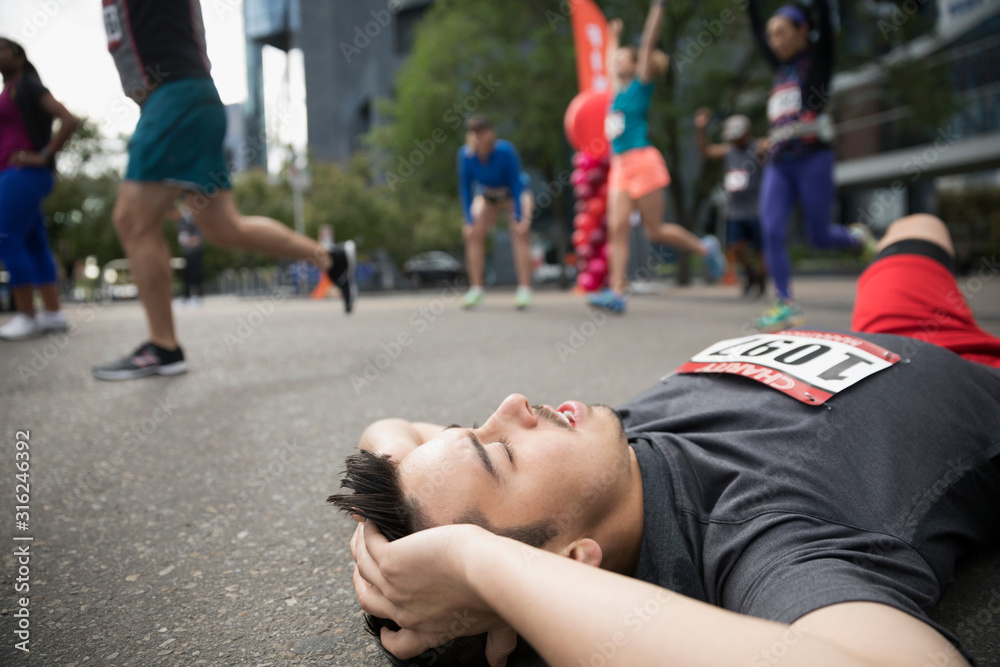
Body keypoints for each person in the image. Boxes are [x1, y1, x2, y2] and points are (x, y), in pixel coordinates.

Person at [333, 213, 1000, 667]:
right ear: (570, 559)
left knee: (917, 225)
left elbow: (397, 432)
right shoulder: (762, 542)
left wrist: (388, 515)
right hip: (972, 366)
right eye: (501, 450)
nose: (510, 405)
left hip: (889, 322)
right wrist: (483, 566)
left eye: (471, 428)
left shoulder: (607, 455)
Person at [92, 0, 357, 380]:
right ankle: (330, 258)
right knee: (224, 227)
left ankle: (163, 348)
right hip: (187, 99)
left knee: (133, 222)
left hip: (176, 99)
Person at [588, 1, 726, 314]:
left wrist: (658, 9)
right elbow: (608, 61)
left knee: (655, 230)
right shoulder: (616, 92)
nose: (617, 61)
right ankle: (617, 292)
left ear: (636, 65)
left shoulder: (641, 85)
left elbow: (649, 42)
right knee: (617, 228)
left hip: (643, 162)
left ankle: (705, 248)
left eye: (624, 57)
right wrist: (613, 35)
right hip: (620, 167)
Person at [748, 1, 872, 331]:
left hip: (813, 159)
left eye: (781, 33)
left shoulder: (817, 60)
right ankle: (785, 303)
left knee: (819, 236)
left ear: (803, 30)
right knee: (771, 229)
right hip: (779, 163)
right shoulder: (779, 68)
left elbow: (827, 23)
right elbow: (756, 30)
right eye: (771, 35)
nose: (774, 40)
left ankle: (856, 238)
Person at [0, 37, 78, 341]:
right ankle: (53, 314)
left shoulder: (28, 85)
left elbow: (68, 119)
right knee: (33, 242)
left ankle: (27, 316)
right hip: (17, 175)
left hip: (24, 174)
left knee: (5, 235)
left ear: (18, 56)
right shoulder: (10, 89)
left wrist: (45, 155)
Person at [458, 115, 534, 310]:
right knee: (472, 233)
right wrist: (469, 219)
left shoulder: (505, 151)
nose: (479, 136)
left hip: (513, 194)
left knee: (519, 232)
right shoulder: (466, 155)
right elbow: (466, 188)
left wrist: (518, 217)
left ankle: (524, 289)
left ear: (491, 133)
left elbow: (516, 184)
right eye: (474, 132)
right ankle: (476, 288)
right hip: (488, 195)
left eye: (482, 131)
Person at [693, 108, 768, 298]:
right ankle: (750, 274)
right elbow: (706, 151)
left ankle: (761, 278)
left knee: (762, 250)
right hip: (735, 210)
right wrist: (701, 129)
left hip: (757, 208)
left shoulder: (759, 147)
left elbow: (773, 148)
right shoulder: (729, 150)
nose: (734, 141)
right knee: (737, 247)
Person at [172, 203, 204, 306]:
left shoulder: (196, 220)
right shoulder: (181, 221)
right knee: (186, 275)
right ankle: (186, 297)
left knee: (196, 274)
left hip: (196, 251)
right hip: (187, 252)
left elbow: (197, 239)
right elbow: (182, 237)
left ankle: (197, 296)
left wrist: (189, 240)